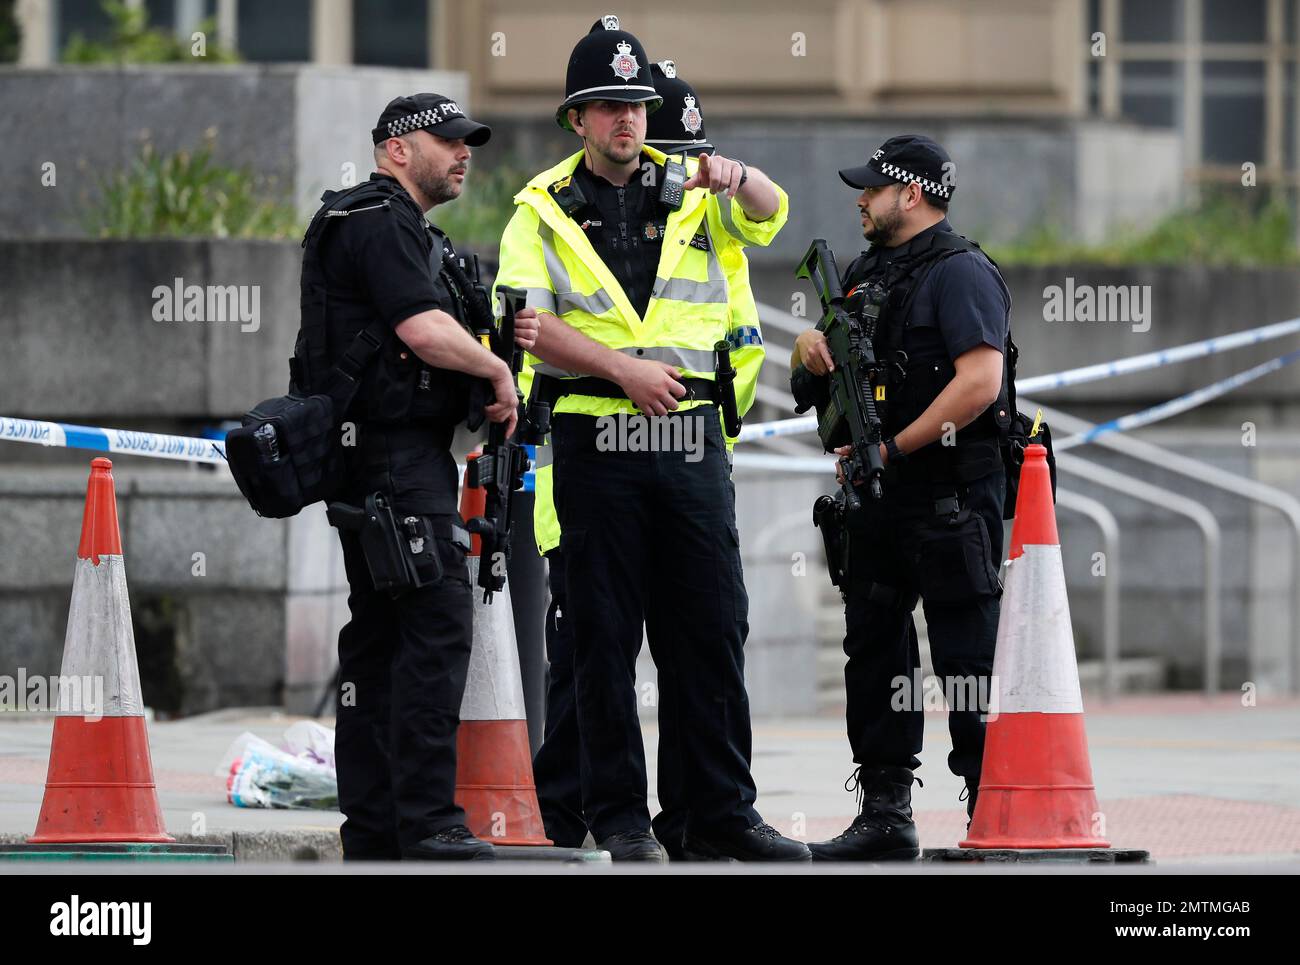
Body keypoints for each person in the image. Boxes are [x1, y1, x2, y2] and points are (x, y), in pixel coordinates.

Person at [496, 17, 807, 862]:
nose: (625, 119)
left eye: (634, 104)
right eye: (606, 106)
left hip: (692, 445)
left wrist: (737, 173)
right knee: (600, 643)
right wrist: (621, 369)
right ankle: (623, 820)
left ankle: (719, 814)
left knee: (710, 633)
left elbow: (773, 212)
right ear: (577, 120)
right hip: (596, 444)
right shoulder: (541, 208)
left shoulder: (697, 185)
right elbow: (527, 322)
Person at [294, 93, 537, 861]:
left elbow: (437, 327)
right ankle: (428, 820)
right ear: (398, 148)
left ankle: (377, 828)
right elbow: (418, 328)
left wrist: (502, 336)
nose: (464, 153)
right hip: (391, 462)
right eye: (449, 141)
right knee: (435, 624)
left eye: (470, 142)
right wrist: (496, 366)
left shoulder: (399, 227)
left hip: (390, 458)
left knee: (381, 640)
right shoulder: (376, 219)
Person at [791, 135, 1011, 861]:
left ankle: (992, 811)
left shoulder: (961, 272)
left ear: (910, 194)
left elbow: (979, 384)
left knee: (966, 661)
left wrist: (898, 446)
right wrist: (807, 354)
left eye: (872, 188)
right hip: (878, 503)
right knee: (874, 654)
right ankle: (886, 814)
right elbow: (829, 387)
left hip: (947, 497)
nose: (861, 198)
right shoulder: (863, 272)